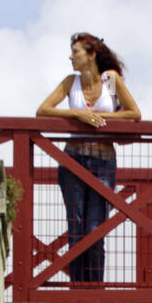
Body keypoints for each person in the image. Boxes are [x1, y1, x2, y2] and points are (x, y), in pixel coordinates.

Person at [36, 32, 141, 283]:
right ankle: (77, 288)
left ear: (91, 54)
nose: (71, 56)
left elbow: (133, 113)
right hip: (73, 159)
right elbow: (42, 110)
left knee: (95, 230)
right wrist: (79, 115)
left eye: (76, 51)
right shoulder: (70, 82)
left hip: (103, 160)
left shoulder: (110, 80)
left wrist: (101, 119)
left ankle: (93, 289)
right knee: (76, 229)